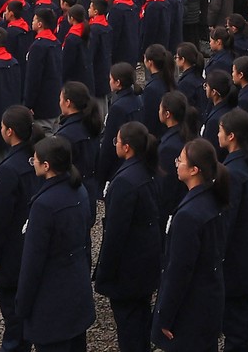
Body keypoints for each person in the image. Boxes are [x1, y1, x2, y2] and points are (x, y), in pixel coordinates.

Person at [16, 134, 97, 352]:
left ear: (46, 165)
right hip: (76, 290)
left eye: (35, 159)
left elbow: (33, 262)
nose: (32, 163)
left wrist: (22, 304)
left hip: (51, 301)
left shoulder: (43, 205)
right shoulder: (79, 190)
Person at [154, 137, 227, 352]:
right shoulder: (214, 199)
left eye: (181, 160)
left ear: (195, 170)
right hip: (209, 297)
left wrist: (165, 315)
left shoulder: (188, 215)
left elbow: (179, 269)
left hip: (191, 307)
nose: (176, 163)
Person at [97, 122, 163, 352]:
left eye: (117, 140)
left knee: (129, 327)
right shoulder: (147, 170)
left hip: (128, 269)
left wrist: (104, 272)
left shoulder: (124, 181)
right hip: (144, 262)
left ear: (126, 147)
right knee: (141, 317)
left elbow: (115, 234)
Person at [0, 105, 41, 352]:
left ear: (9, 131)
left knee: (13, 314)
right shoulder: (37, 158)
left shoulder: (8, 169)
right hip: (32, 243)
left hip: (12, 252)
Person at [216, 109, 248, 352]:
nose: (217, 134)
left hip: (235, 258)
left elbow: (226, 221)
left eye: (220, 130)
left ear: (231, 136)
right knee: (241, 315)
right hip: (247, 251)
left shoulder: (232, 172)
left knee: (234, 321)